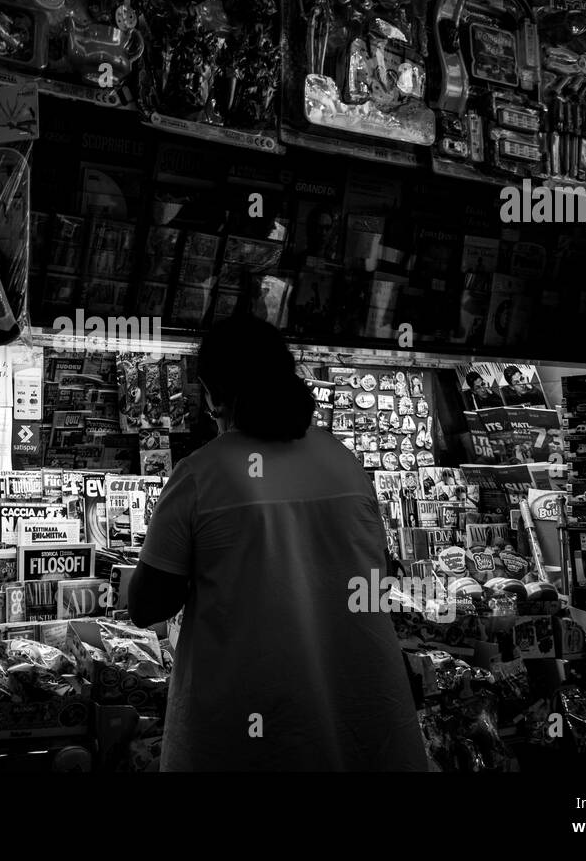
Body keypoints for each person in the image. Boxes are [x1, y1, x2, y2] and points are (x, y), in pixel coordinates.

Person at [128, 314, 427, 771]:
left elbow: (147, 605)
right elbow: (376, 575)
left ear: (212, 394)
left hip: (251, 721)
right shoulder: (342, 461)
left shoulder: (200, 475)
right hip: (360, 713)